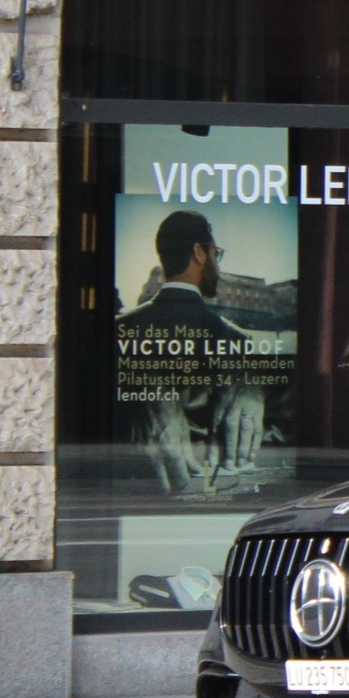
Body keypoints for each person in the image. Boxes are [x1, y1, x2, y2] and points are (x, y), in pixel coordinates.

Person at [117, 209, 265, 495]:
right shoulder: (235, 338)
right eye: (216, 254)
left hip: (133, 488)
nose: (217, 266)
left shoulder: (118, 329)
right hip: (209, 484)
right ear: (199, 253)